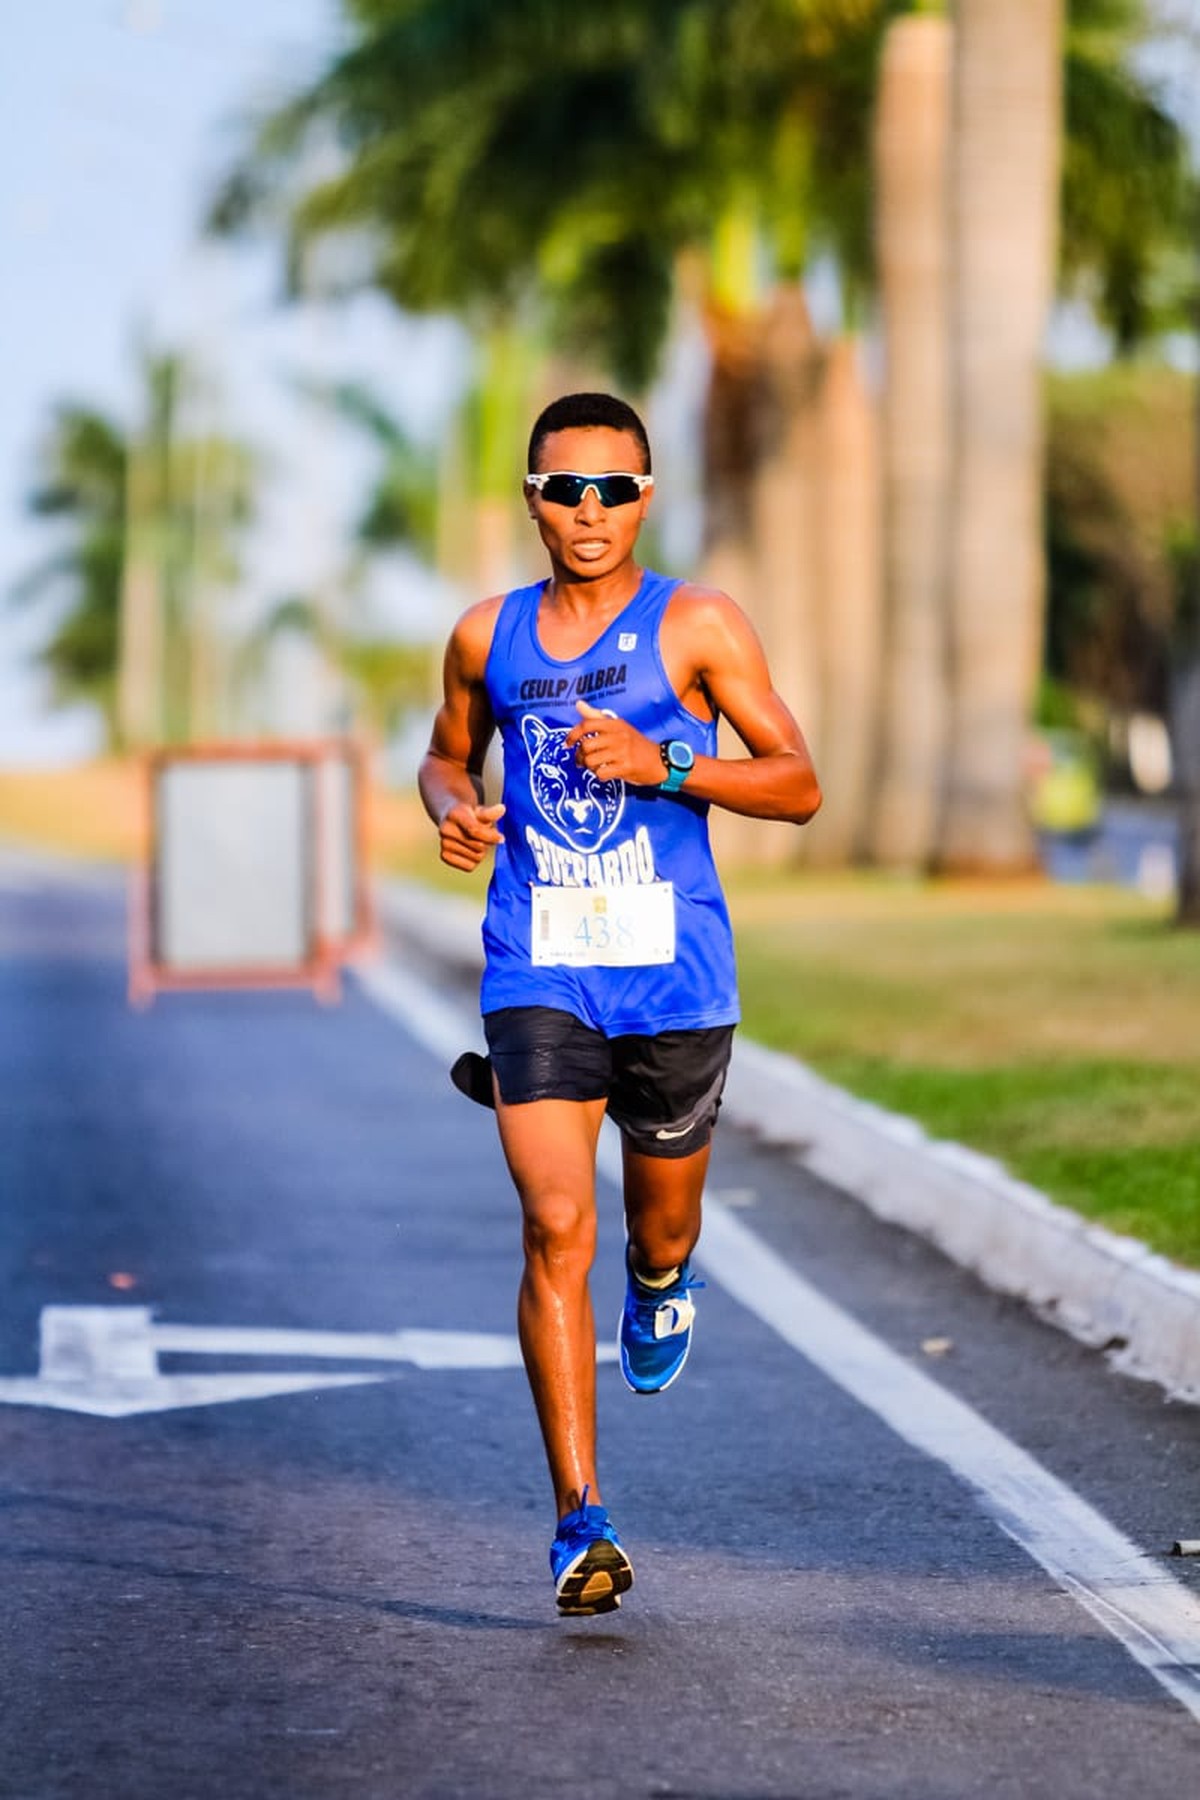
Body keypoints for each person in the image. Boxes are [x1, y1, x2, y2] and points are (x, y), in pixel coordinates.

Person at [418, 391, 820, 1616]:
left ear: (647, 496)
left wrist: (671, 762)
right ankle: (578, 1523)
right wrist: (455, 810)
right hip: (539, 963)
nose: (587, 511)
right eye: (564, 489)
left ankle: (661, 1285)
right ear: (531, 498)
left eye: (613, 489)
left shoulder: (697, 624)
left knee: (656, 1233)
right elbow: (444, 752)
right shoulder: (488, 637)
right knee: (553, 1224)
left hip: (674, 976)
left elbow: (799, 783)